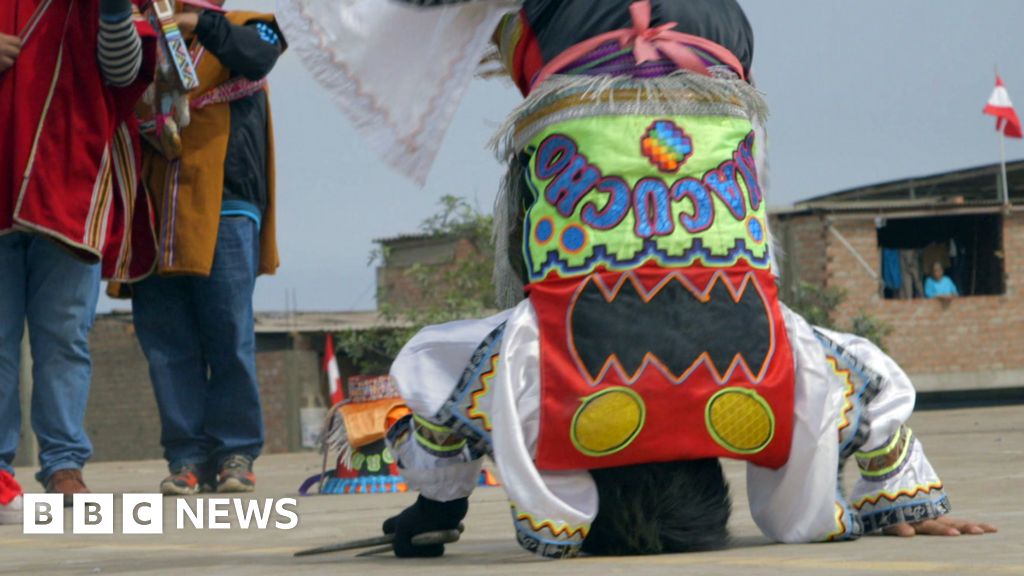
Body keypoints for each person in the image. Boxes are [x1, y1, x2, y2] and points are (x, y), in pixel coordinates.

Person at [278, 0, 995, 558]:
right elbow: (430, 392)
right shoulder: (532, 371)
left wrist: (907, 504)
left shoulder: (772, 372)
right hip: (576, 42)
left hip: (712, 40)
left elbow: (870, 392)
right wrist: (435, 514)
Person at [0, 0, 155, 519]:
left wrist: (113, 14)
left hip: (71, 181)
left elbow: (124, 74)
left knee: (64, 339)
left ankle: (65, 464)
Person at [127, 1, 286, 496]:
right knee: (166, 340)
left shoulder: (249, 26)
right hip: (154, 203)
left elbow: (259, 57)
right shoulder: (136, 33)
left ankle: (236, 451)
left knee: (228, 331)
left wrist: (201, 25)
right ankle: (187, 456)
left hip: (226, 199)